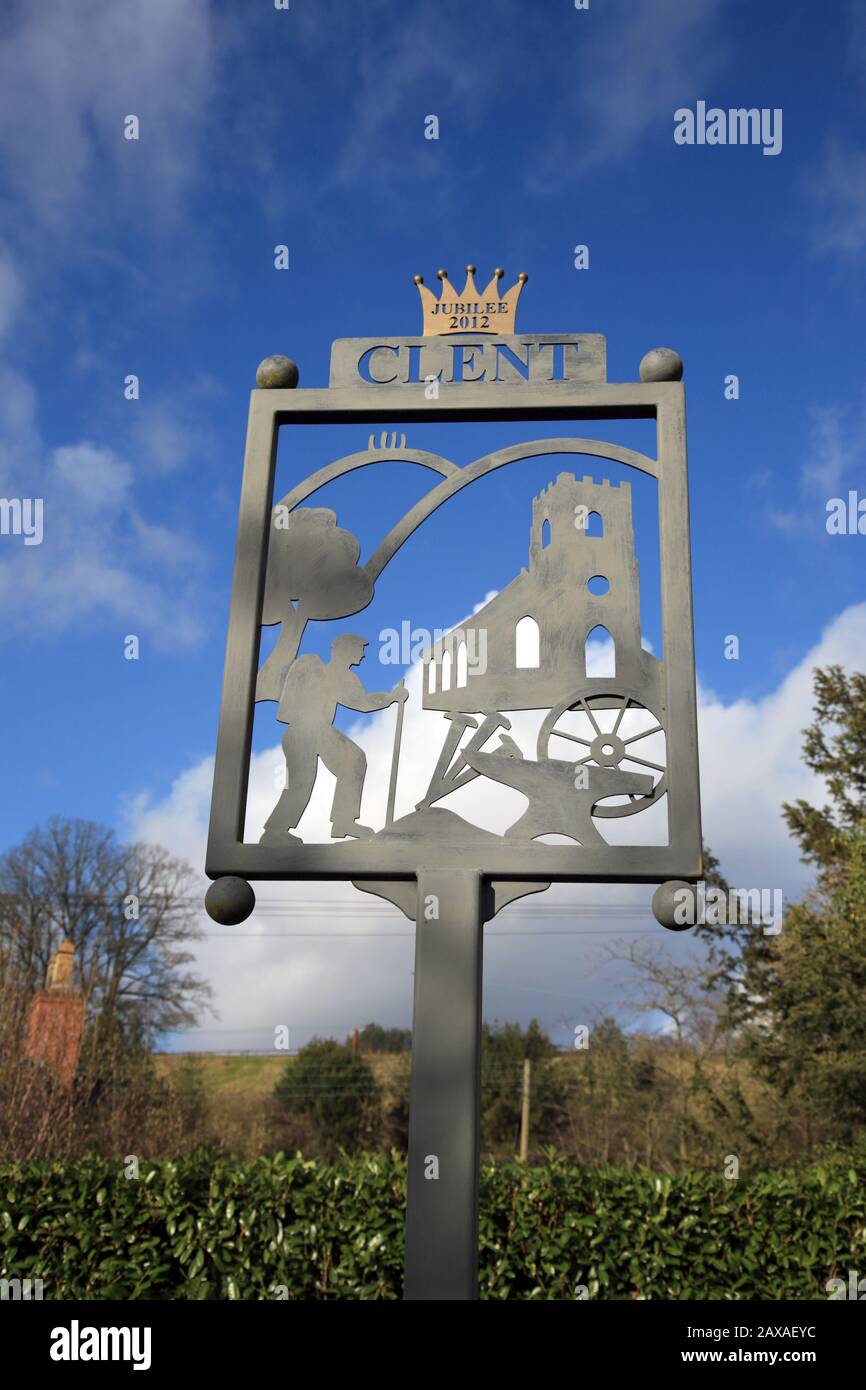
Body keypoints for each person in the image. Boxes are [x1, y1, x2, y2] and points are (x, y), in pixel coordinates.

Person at [260, 634, 407, 843]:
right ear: (346, 650)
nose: (363, 655)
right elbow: (290, 703)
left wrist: (391, 697)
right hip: (302, 731)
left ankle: (343, 822)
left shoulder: (346, 678)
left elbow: (363, 702)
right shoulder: (313, 666)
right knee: (301, 782)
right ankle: (274, 832)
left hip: (320, 731)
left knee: (353, 760)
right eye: (360, 649)